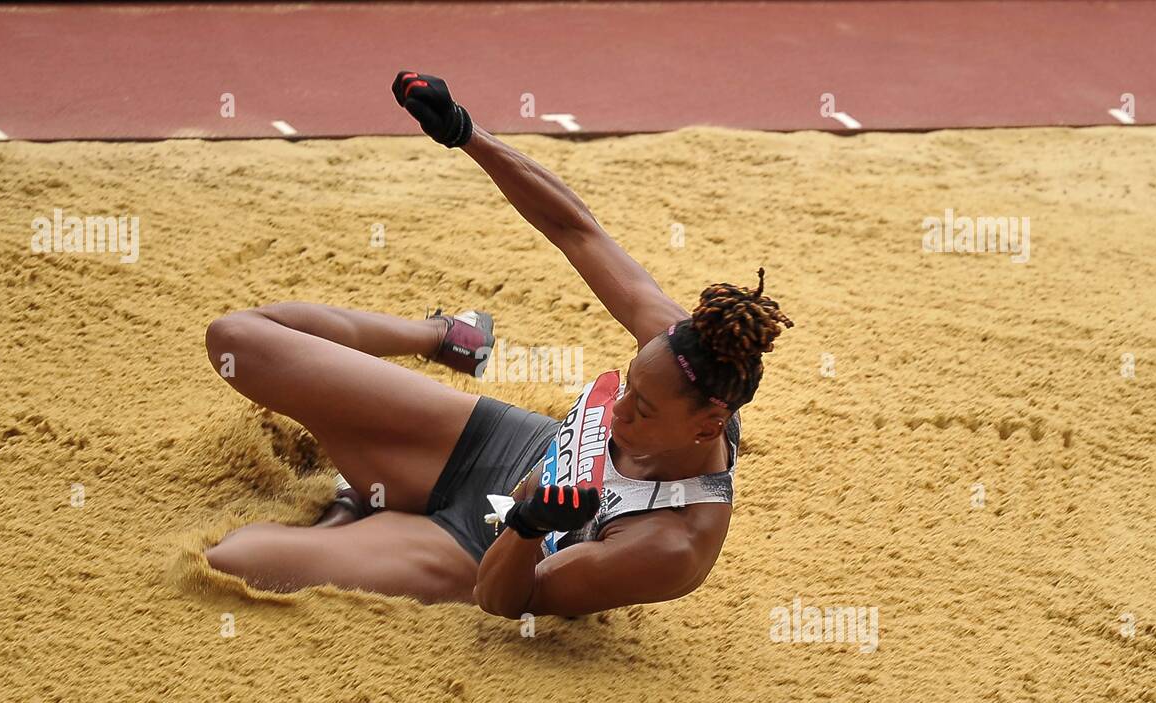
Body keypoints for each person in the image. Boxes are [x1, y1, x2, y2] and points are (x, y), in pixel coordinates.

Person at [203, 71, 793, 618]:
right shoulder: (674, 349)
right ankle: (442, 337)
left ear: (710, 425)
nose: (617, 410)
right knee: (237, 339)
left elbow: (505, 598)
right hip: (481, 442)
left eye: (642, 409)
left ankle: (353, 508)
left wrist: (531, 523)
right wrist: (465, 132)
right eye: (628, 386)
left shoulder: (674, 544)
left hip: (474, 547)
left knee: (235, 557)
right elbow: (573, 228)